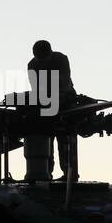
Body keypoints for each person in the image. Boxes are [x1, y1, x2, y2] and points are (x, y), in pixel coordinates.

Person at [24, 40, 81, 182]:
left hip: (66, 102)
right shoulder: (32, 65)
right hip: (46, 104)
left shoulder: (61, 59)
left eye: (44, 59)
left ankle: (70, 173)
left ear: (50, 53)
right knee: (45, 137)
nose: (42, 62)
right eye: (39, 60)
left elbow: (64, 82)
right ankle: (45, 172)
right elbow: (36, 89)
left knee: (65, 138)